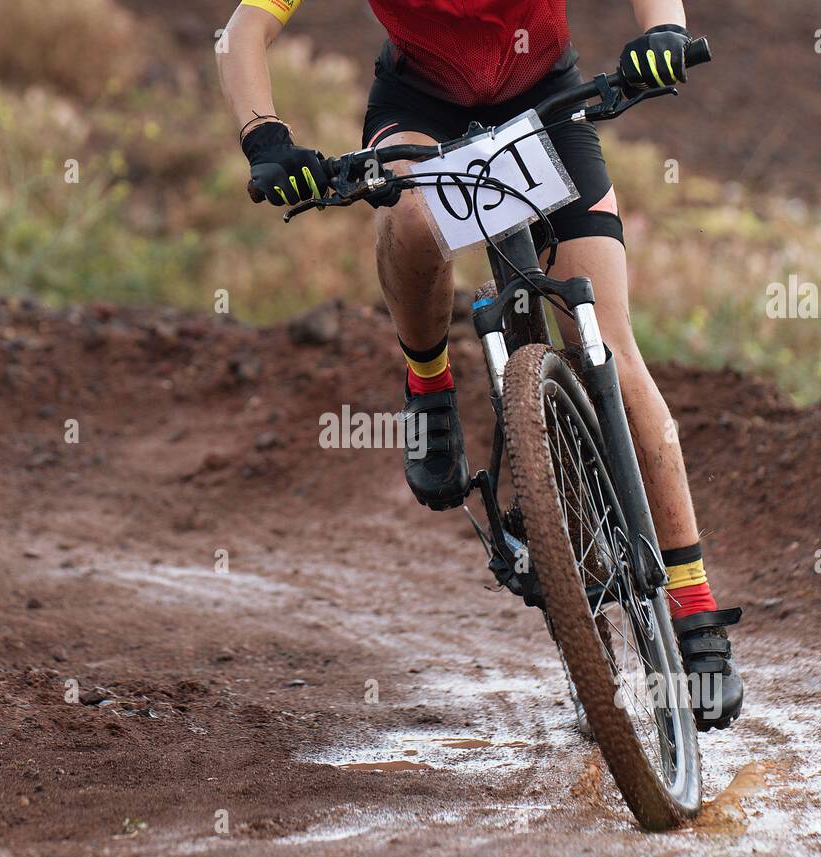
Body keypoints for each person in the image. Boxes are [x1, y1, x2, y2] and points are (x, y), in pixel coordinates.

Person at [217, 0, 743, 729]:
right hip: (420, 109)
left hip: (544, 102)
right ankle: (428, 384)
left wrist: (663, 30)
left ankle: (696, 613)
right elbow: (243, 31)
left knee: (609, 353)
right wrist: (264, 138)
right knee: (405, 214)